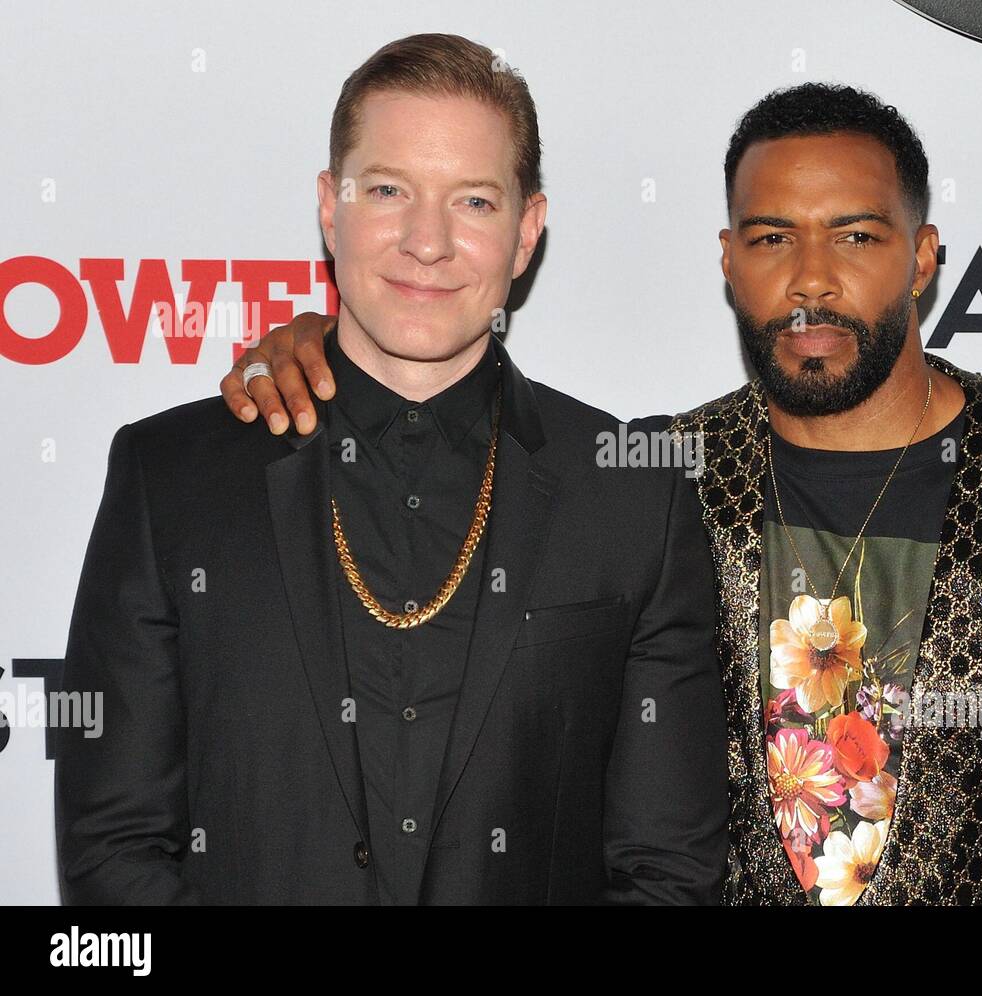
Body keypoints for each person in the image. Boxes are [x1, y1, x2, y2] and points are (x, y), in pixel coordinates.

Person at [222, 83, 982, 906]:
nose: (811, 281)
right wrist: (326, 359)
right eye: (770, 238)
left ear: (923, 260)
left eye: (858, 238)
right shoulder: (645, 481)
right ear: (726, 261)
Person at [55, 33, 728, 906]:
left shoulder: (631, 494)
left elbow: (669, 874)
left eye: (475, 202)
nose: (427, 242)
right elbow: (115, 852)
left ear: (526, 233)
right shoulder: (170, 477)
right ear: (330, 208)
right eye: (388, 191)